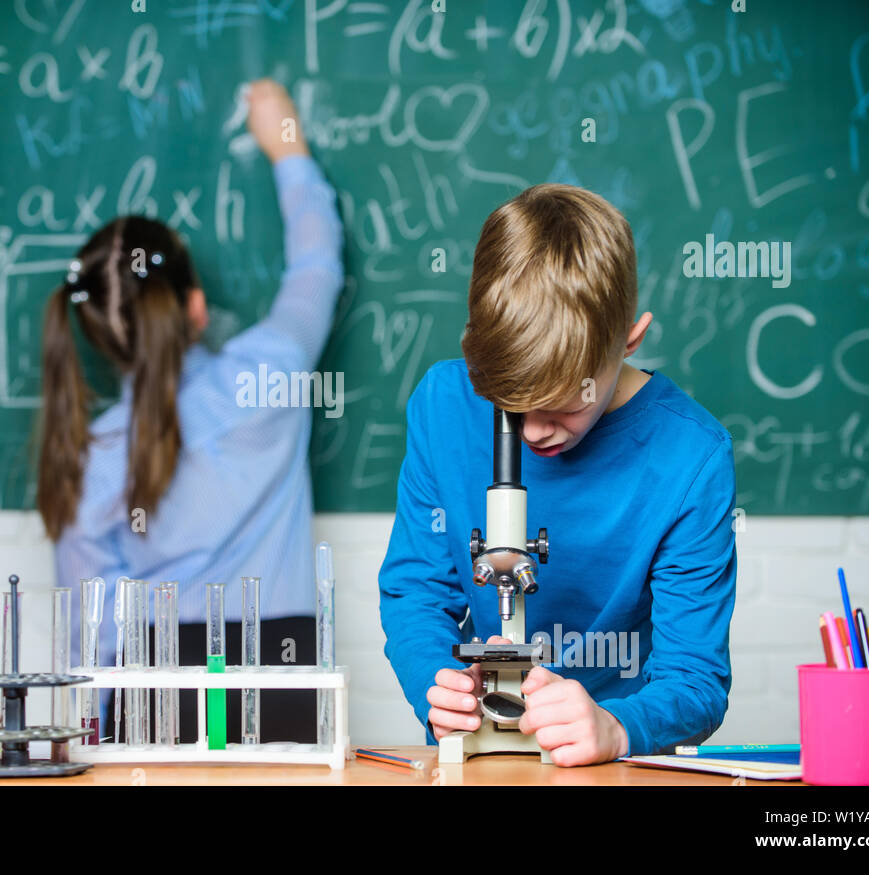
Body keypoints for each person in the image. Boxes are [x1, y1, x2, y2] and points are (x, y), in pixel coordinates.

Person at [379, 184, 737, 765]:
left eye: (564, 404)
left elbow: (695, 679)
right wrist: (437, 686)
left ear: (629, 340)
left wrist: (619, 728)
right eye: (512, 405)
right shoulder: (443, 404)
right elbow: (416, 591)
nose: (533, 433)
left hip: (612, 767)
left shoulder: (690, 455)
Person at [39, 80, 343, 743]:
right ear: (195, 306)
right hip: (284, 675)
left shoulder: (94, 456)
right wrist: (285, 144)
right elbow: (317, 265)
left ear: (99, 339)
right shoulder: (269, 378)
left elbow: (95, 638)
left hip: (157, 688)